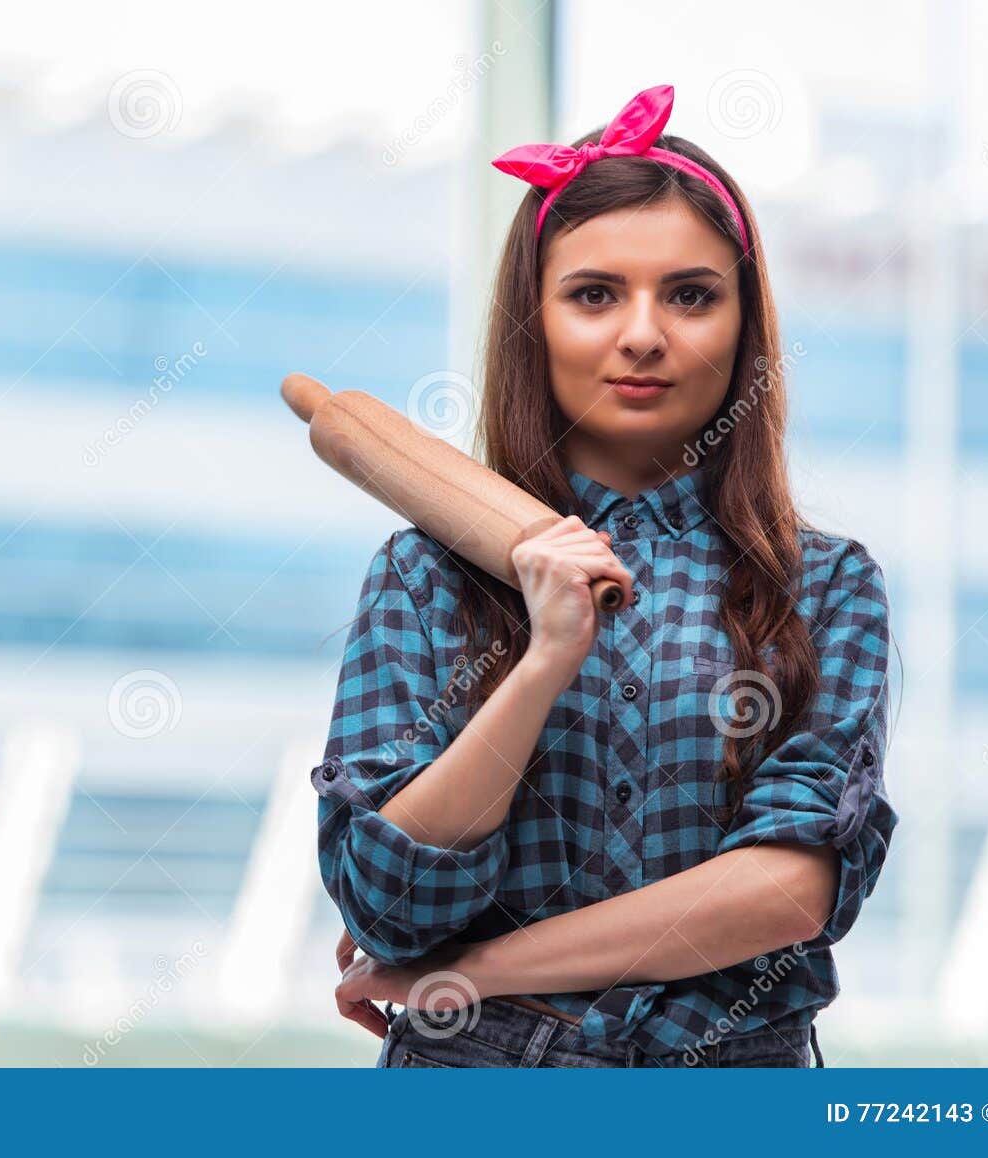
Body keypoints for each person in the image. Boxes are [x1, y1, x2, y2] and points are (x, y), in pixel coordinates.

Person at [311, 84, 898, 1068]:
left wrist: (475, 969)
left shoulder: (823, 587)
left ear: (743, 326)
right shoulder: (423, 579)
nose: (641, 334)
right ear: (530, 322)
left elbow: (787, 893)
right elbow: (390, 898)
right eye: (593, 294)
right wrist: (543, 660)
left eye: (689, 294)